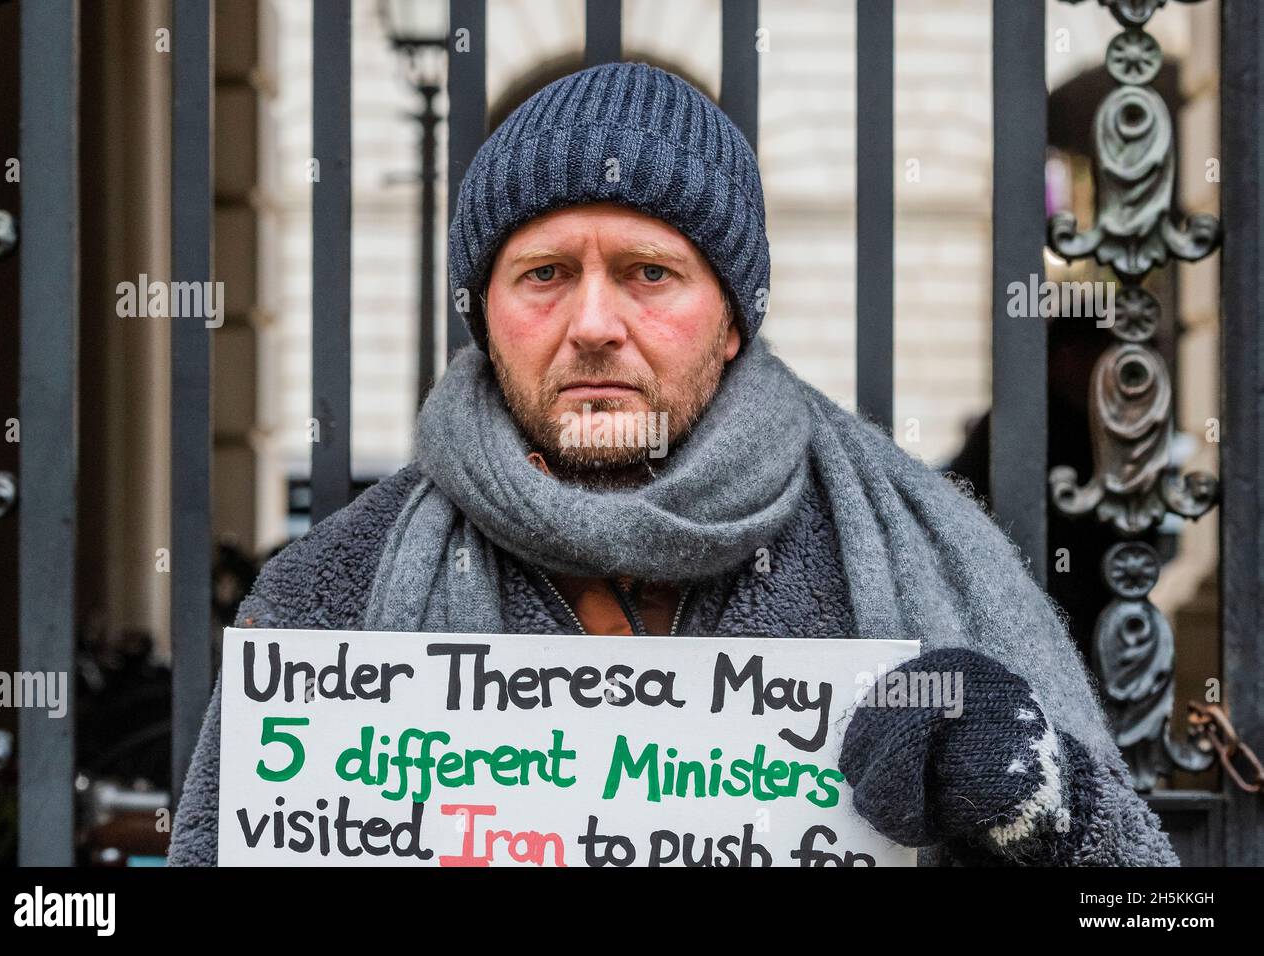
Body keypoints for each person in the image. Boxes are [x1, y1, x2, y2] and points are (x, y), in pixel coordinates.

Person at [168, 60, 1177, 867]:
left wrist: (1044, 800)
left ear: (731, 318)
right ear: (482, 313)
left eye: (650, 273)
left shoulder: (938, 557)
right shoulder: (323, 598)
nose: (594, 324)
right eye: (544, 274)